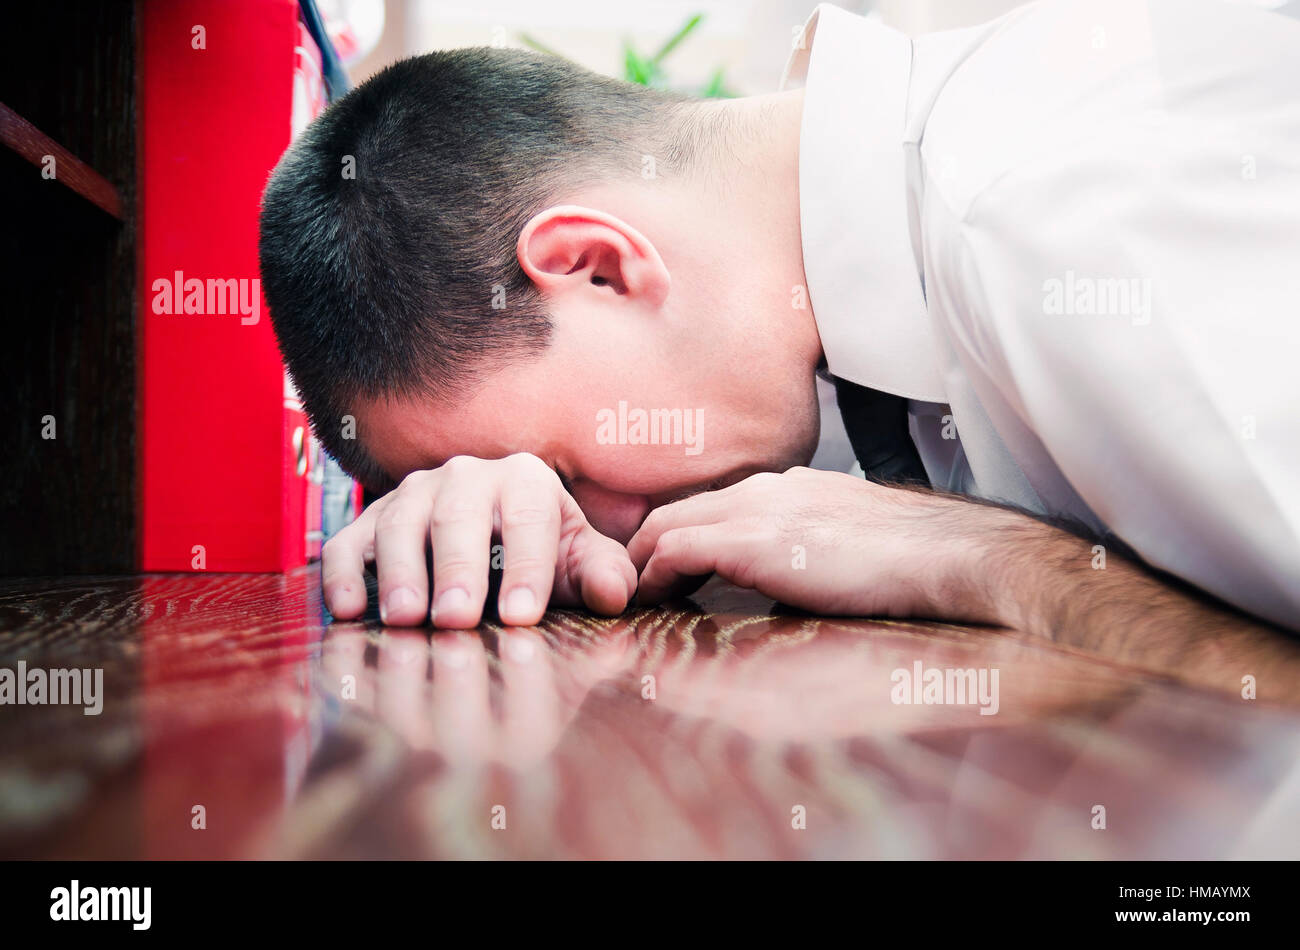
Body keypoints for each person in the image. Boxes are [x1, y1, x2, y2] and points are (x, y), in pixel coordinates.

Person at [258, 0, 1300, 651]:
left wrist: (996, 562)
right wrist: (506, 531)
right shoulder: (828, 337)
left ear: (597, 265)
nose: (610, 529)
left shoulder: (1045, 217)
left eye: (568, 474)